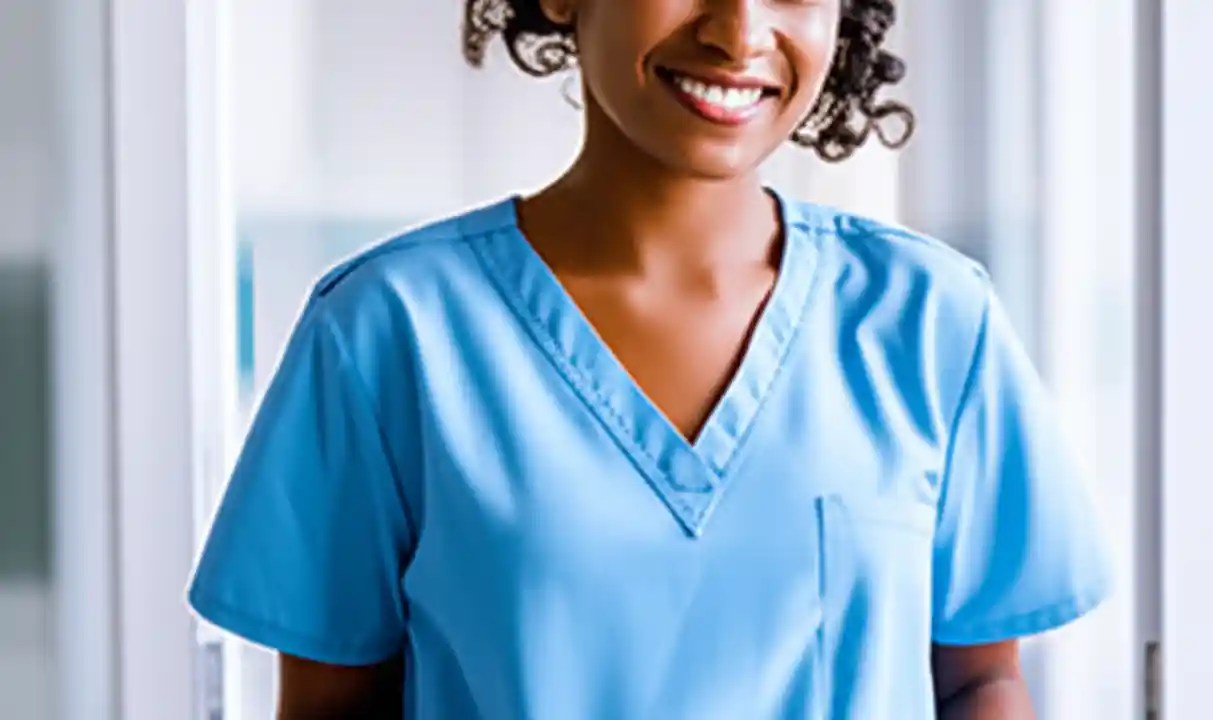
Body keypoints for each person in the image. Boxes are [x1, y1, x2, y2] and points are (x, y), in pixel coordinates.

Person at [188, 0, 1113, 717]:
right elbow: (331, 708)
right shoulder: (391, 334)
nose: (739, 30)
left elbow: (977, 682)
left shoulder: (930, 322)